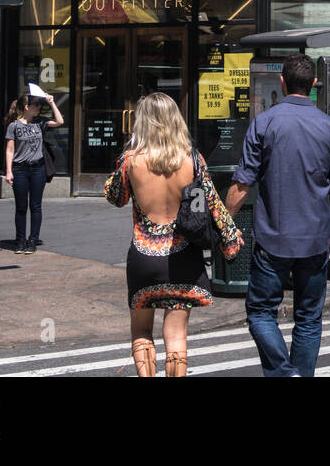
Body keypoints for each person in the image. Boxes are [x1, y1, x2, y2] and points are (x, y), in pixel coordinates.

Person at [225, 54, 330, 378]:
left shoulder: (264, 123)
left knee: (261, 312)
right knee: (309, 318)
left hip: (272, 240)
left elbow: (242, 184)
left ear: (282, 81)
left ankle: (283, 370)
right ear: (314, 85)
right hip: (314, 240)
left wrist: (224, 224)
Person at [104, 93, 242, 377]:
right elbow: (213, 203)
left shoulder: (131, 160)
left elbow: (114, 196)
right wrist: (230, 240)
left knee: (141, 331)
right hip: (183, 258)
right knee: (177, 334)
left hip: (143, 259)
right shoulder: (192, 159)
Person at [2, 92, 64, 254]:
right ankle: (20, 240)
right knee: (21, 207)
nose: (39, 107)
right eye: (36, 105)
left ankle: (33, 240)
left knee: (35, 206)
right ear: (27, 107)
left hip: (38, 168)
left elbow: (59, 121)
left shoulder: (40, 122)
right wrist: (8, 171)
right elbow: (10, 150)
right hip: (19, 168)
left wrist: (51, 103)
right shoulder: (14, 126)